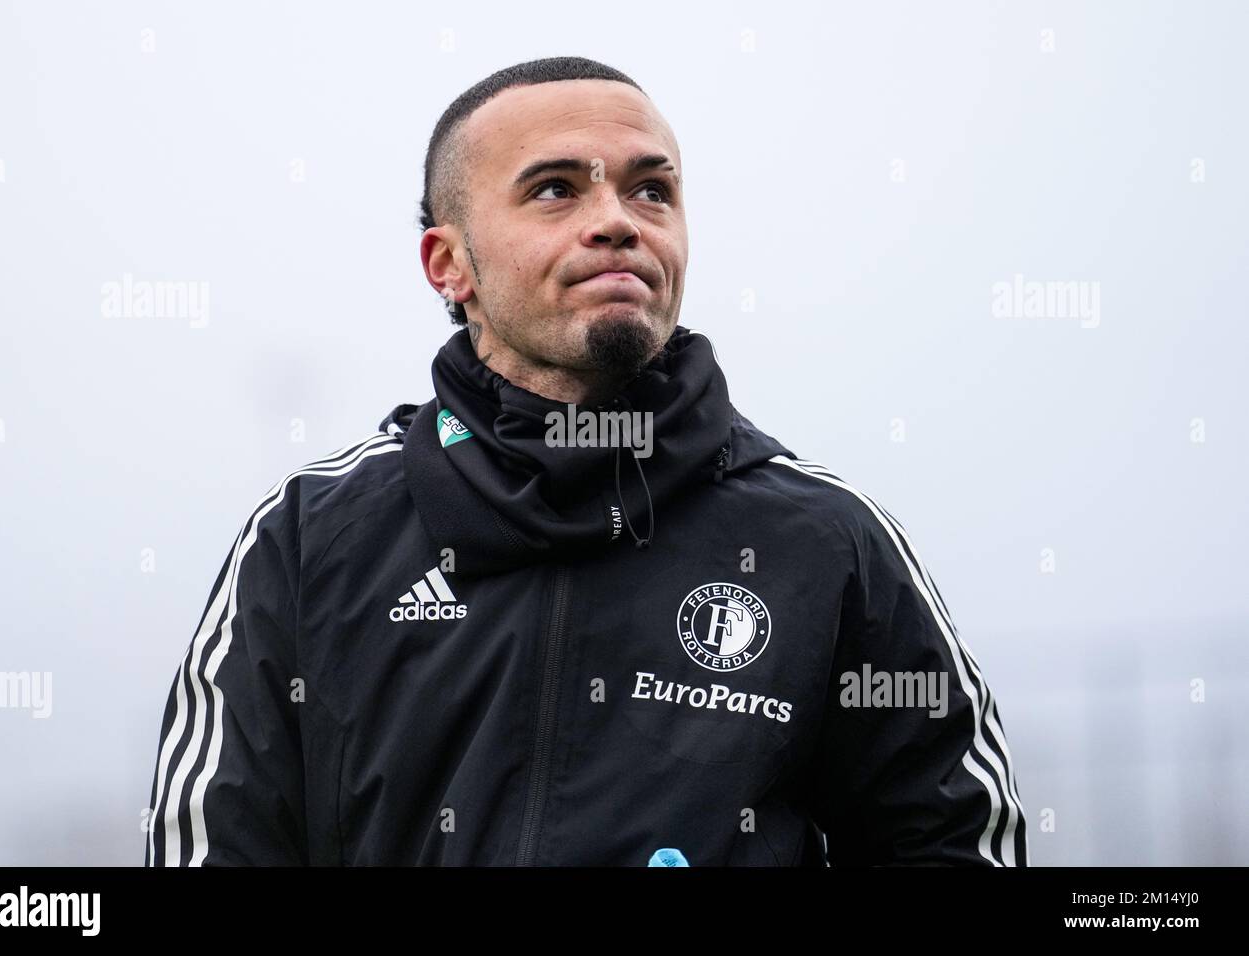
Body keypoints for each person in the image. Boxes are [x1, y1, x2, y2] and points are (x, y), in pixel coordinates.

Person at [144, 56, 1027, 866]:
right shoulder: (309, 538)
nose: (616, 222)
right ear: (450, 264)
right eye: (556, 191)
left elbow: (954, 847)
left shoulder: (827, 541)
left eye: (652, 192)